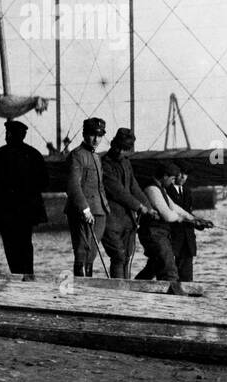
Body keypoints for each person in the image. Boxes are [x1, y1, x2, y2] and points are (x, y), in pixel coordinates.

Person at [0, 120, 48, 277]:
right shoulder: (35, 155)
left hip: (7, 211)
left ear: (9, 134)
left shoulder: (1, 154)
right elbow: (44, 182)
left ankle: (17, 275)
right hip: (28, 210)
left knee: (10, 245)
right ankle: (28, 275)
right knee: (26, 243)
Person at [100, 128, 153, 279]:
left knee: (127, 258)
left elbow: (134, 187)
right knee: (118, 256)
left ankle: (126, 291)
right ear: (113, 144)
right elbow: (117, 191)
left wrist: (149, 207)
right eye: (120, 148)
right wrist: (139, 207)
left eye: (125, 150)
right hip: (112, 221)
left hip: (127, 221)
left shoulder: (126, 163)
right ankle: (119, 293)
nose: (122, 153)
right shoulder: (104, 164)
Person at [136, 161, 197, 287]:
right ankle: (173, 299)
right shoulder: (152, 189)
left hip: (160, 233)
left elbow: (173, 207)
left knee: (154, 266)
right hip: (153, 233)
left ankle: (133, 289)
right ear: (164, 176)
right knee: (169, 270)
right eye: (172, 178)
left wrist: (194, 219)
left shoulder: (160, 188)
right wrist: (181, 218)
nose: (173, 182)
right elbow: (167, 214)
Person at [66, 116, 110, 277]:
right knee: (81, 251)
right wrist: (85, 210)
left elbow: (100, 187)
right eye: (92, 135)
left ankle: (88, 288)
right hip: (83, 212)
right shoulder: (76, 155)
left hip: (99, 211)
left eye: (99, 135)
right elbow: (73, 186)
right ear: (84, 134)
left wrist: (105, 209)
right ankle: (79, 290)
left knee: (92, 252)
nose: (96, 139)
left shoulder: (96, 157)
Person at [167, 166, 211, 282]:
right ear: (174, 175)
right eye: (180, 173)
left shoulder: (187, 191)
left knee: (187, 276)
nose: (183, 177)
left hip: (187, 239)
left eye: (185, 174)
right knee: (169, 273)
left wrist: (201, 224)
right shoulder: (166, 190)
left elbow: (188, 214)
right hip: (173, 237)